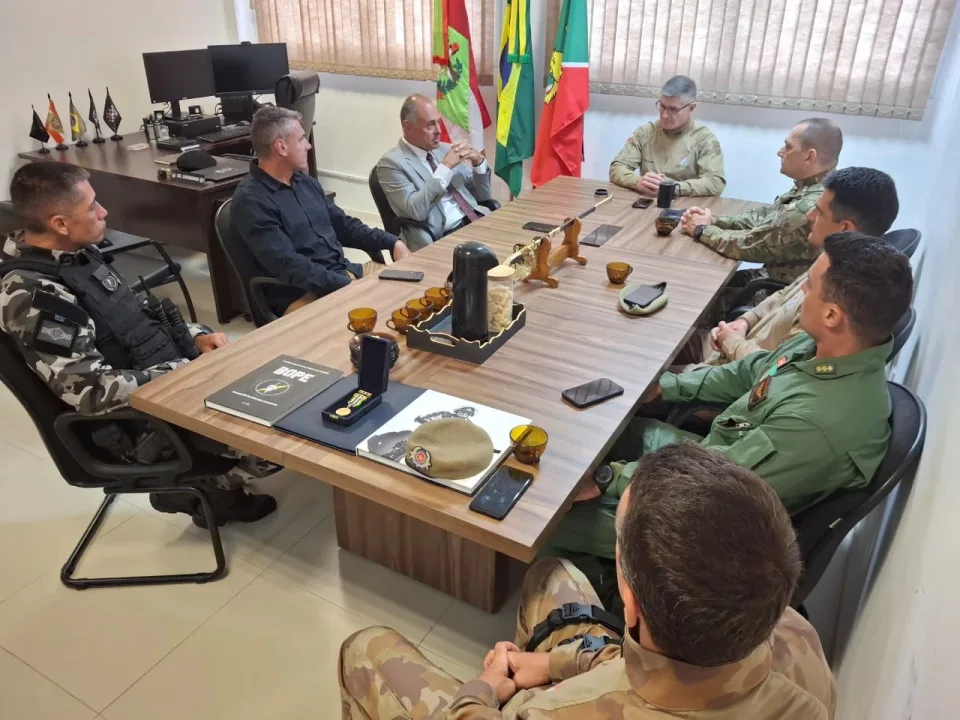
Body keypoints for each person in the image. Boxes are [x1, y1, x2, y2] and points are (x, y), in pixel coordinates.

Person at [339, 444, 836, 719]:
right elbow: (667, 672)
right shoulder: (797, 637)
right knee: (551, 576)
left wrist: (486, 688)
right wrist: (552, 662)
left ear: (633, 604)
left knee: (362, 648)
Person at [545, 232, 912, 563]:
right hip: (717, 453)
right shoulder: (827, 348)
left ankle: (599, 579)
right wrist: (668, 388)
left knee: (548, 519)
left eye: (811, 287)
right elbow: (750, 372)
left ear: (832, 314)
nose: (801, 292)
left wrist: (610, 477)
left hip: (714, 526)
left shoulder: (817, 423)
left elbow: (713, 486)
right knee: (606, 426)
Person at [0, 162, 279, 527]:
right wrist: (184, 371)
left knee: (276, 378)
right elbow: (91, 394)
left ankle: (212, 490)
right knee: (277, 437)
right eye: (92, 207)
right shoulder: (35, 297)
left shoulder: (76, 256)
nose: (104, 213)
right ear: (60, 224)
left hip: (167, 387)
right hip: (142, 426)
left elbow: (137, 312)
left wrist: (194, 336)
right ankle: (209, 487)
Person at [681, 167, 899, 368]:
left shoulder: (833, 301)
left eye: (819, 213)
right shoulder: (832, 262)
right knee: (675, 332)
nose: (809, 217)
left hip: (729, 377)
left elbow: (776, 373)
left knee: (653, 358)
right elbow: (783, 295)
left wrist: (733, 343)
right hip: (737, 346)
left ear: (846, 228)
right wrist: (745, 321)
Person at [232, 106, 409, 317]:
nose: (308, 146)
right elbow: (290, 266)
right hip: (302, 294)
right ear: (281, 147)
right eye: (301, 140)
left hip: (342, 275)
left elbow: (343, 226)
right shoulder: (251, 201)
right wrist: (347, 285)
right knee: (381, 319)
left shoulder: (304, 182)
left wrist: (391, 242)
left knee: (409, 293)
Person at [680, 118, 843, 284]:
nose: (780, 152)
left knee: (703, 283)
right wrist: (716, 221)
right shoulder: (817, 185)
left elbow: (750, 245)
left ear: (810, 156)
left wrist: (702, 230)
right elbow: (766, 217)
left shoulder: (809, 207)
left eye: (788, 147)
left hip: (776, 291)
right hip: (777, 277)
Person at [376, 94, 495, 250]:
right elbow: (416, 211)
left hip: (475, 222)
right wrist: (445, 168)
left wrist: (478, 163)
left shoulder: (444, 149)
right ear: (408, 127)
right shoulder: (391, 164)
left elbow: (482, 196)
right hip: (441, 236)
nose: (439, 131)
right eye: (430, 125)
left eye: (438, 123)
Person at [609, 75, 726, 198]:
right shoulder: (645, 132)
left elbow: (715, 182)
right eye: (662, 106)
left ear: (691, 108)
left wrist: (673, 188)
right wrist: (637, 182)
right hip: (646, 203)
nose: (664, 115)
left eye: (673, 109)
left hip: (684, 207)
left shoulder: (705, 139)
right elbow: (617, 167)